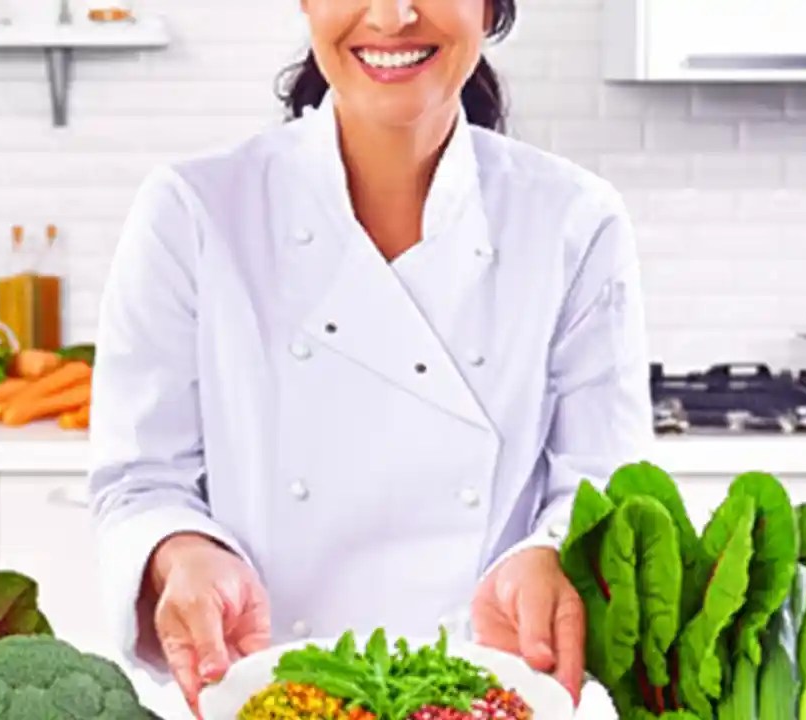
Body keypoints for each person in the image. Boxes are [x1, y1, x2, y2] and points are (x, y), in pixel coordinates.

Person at [87, 0, 653, 716]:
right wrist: (184, 553)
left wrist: (547, 555)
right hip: (260, 696)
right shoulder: (194, 211)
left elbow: (606, 482)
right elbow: (140, 480)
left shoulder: (574, 219)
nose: (392, 16)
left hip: (486, 697)